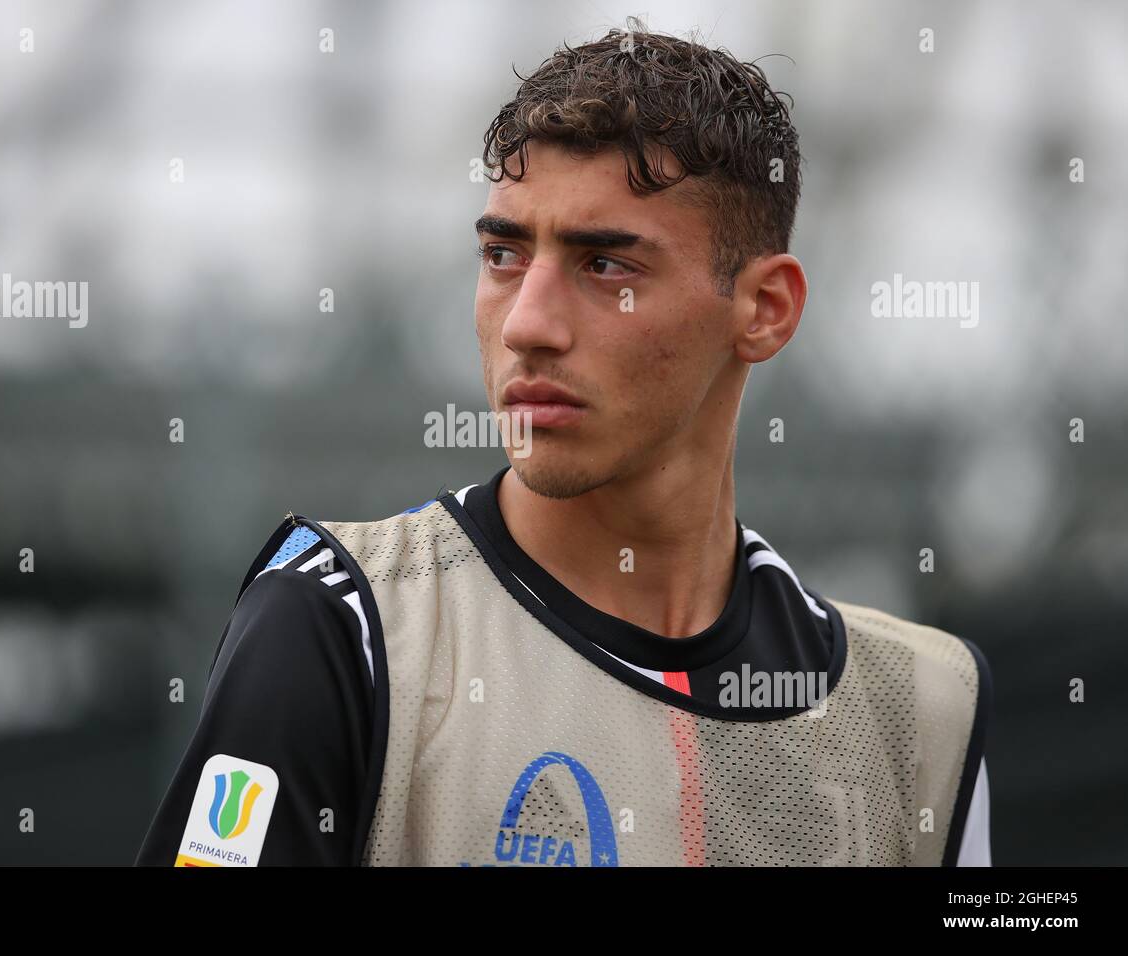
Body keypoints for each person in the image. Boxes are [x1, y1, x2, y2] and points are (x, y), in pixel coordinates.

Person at [136, 19, 991, 868]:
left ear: (765, 309)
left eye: (605, 267)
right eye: (504, 255)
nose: (528, 325)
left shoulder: (921, 707)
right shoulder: (342, 624)